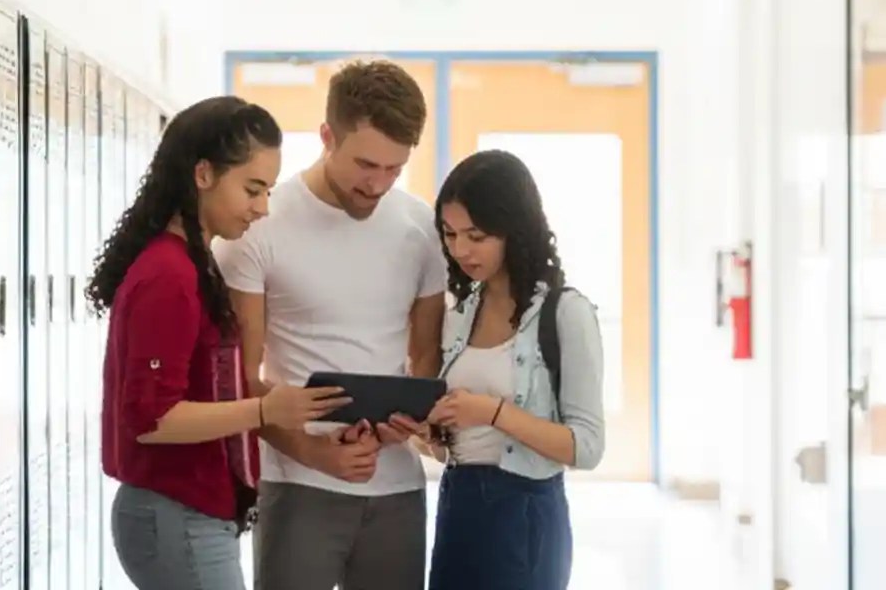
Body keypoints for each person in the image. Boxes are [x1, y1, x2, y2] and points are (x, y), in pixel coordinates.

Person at [87, 96, 351, 590]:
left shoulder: (191, 262)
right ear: (203, 173)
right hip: (175, 516)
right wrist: (264, 412)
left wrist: (288, 404)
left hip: (190, 512)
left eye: (269, 191)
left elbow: (207, 386)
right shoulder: (169, 275)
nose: (263, 208)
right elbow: (152, 418)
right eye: (252, 189)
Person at [213, 60, 448, 590]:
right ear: (326, 136)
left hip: (396, 492)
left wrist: (406, 426)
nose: (379, 184)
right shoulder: (258, 227)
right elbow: (238, 379)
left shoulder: (421, 229)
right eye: (366, 164)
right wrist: (313, 452)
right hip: (297, 484)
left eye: (395, 168)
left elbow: (426, 363)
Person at [420, 149, 606, 590]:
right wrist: (428, 432)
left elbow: (587, 446)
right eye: (450, 234)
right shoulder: (461, 312)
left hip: (525, 514)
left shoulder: (566, 312)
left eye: (476, 235)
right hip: (457, 504)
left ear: (514, 230)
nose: (461, 250)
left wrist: (491, 412)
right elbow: (461, 443)